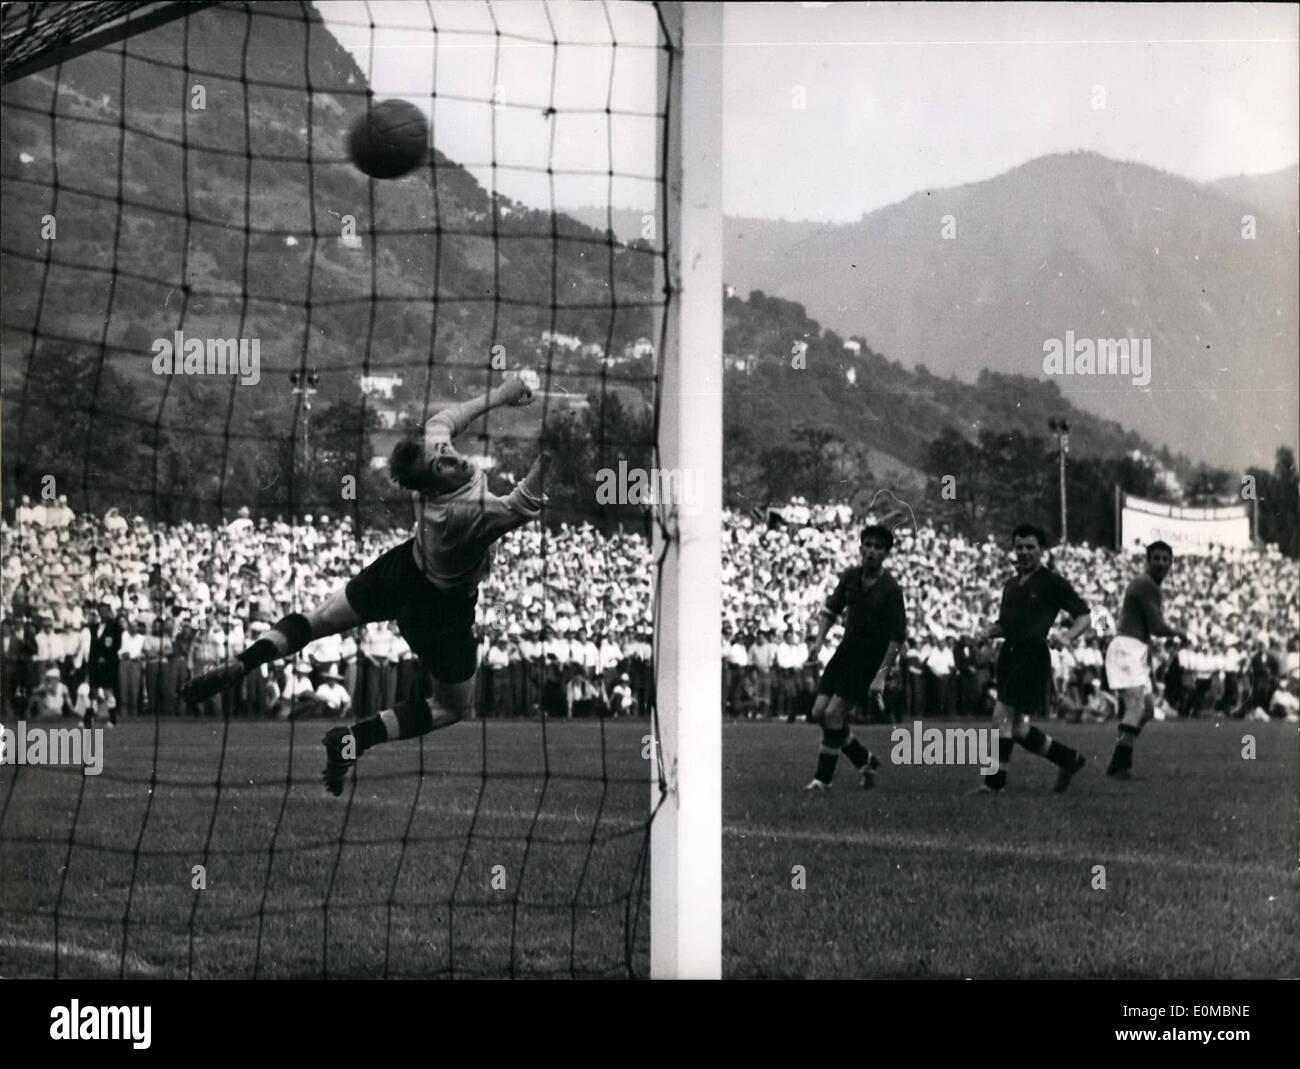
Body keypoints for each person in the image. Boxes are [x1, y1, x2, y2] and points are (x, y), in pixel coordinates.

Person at [180, 374, 546, 793]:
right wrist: (552, 452)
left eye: (445, 451)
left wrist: (499, 395)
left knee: (316, 619)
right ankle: (353, 740)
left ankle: (243, 663)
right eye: (440, 463)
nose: (451, 458)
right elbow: (523, 502)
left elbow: (445, 420)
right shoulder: (464, 513)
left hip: (403, 570)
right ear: (432, 487)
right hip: (441, 611)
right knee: (452, 707)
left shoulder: (435, 476)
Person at [976, 524, 1090, 793]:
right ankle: (1069, 759)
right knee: (1016, 729)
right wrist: (988, 632)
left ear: (1042, 550)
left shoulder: (1052, 582)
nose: (1024, 552)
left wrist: (1067, 636)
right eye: (1019, 547)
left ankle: (994, 784)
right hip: (1009, 654)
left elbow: (1084, 616)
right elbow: (1006, 624)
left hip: (1032, 655)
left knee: (1001, 716)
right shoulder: (1011, 585)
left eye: (1030, 547)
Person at [804, 524, 907, 791]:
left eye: (878, 548)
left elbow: (897, 637)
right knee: (819, 713)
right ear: (861, 548)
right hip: (845, 652)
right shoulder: (850, 576)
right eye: (868, 545)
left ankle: (822, 781)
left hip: (867, 661)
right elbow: (831, 610)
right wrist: (818, 643)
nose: (872, 551)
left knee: (833, 713)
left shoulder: (891, 589)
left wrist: (881, 675)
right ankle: (865, 760)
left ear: (886, 554)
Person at [1104, 541, 1187, 778]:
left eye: (1165, 559)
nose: (1161, 563)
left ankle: (1120, 755)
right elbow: (1157, 627)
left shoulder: (1147, 584)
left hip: (1135, 648)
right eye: (1156, 558)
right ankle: (1120, 765)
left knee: (1148, 709)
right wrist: (1179, 633)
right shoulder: (1146, 584)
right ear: (1147, 561)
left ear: (1171, 563)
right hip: (1127, 647)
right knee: (1137, 707)